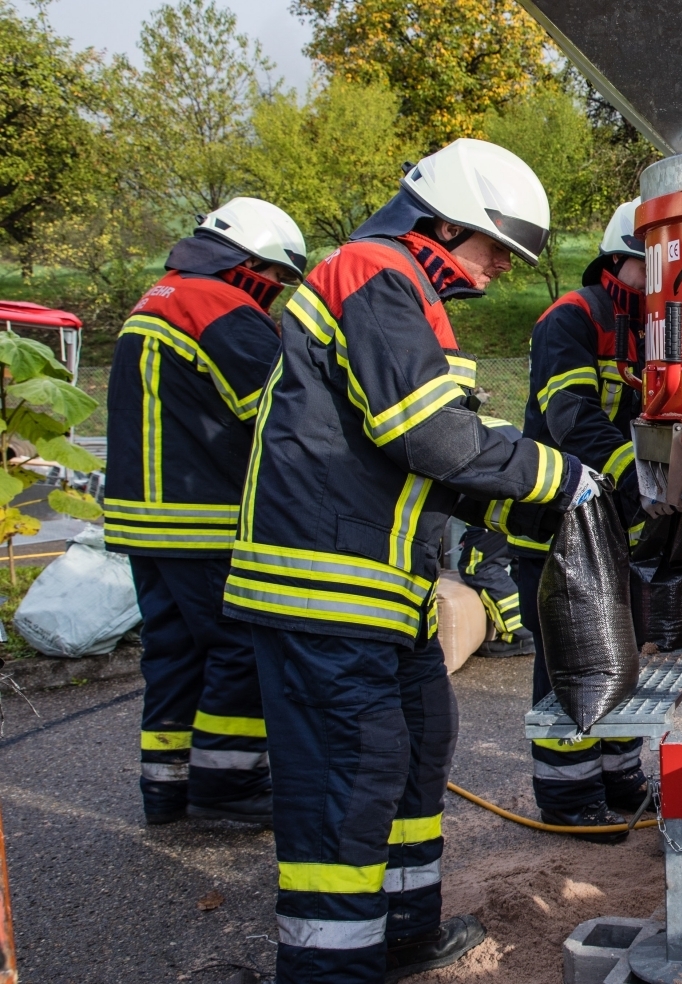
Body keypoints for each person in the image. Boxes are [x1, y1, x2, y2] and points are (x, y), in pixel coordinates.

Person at [224, 138, 598, 983]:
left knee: (417, 745)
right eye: (495, 246)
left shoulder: (403, 290)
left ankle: (404, 933)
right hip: (324, 591)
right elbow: (426, 436)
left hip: (381, 595)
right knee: (349, 784)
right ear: (444, 221)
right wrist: (556, 473)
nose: (500, 267)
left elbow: (423, 452)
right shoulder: (373, 273)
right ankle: (332, 968)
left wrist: (512, 488)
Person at [106, 197, 306, 827]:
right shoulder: (220, 306)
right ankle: (228, 785)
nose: (273, 293)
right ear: (252, 262)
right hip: (203, 517)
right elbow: (279, 411)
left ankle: (166, 788)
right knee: (242, 646)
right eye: (275, 277)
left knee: (172, 653)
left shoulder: (157, 298)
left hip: (143, 520)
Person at [507, 199, 650, 842]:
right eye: (658, 266)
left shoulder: (653, 326)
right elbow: (571, 418)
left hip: (615, 522)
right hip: (557, 523)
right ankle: (568, 797)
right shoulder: (571, 320)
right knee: (569, 657)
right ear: (622, 258)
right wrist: (634, 474)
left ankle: (620, 777)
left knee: (620, 656)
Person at [456, 525, 534, 656]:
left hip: (491, 516)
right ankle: (531, 628)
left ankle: (520, 634)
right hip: (516, 515)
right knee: (520, 565)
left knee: (477, 567)